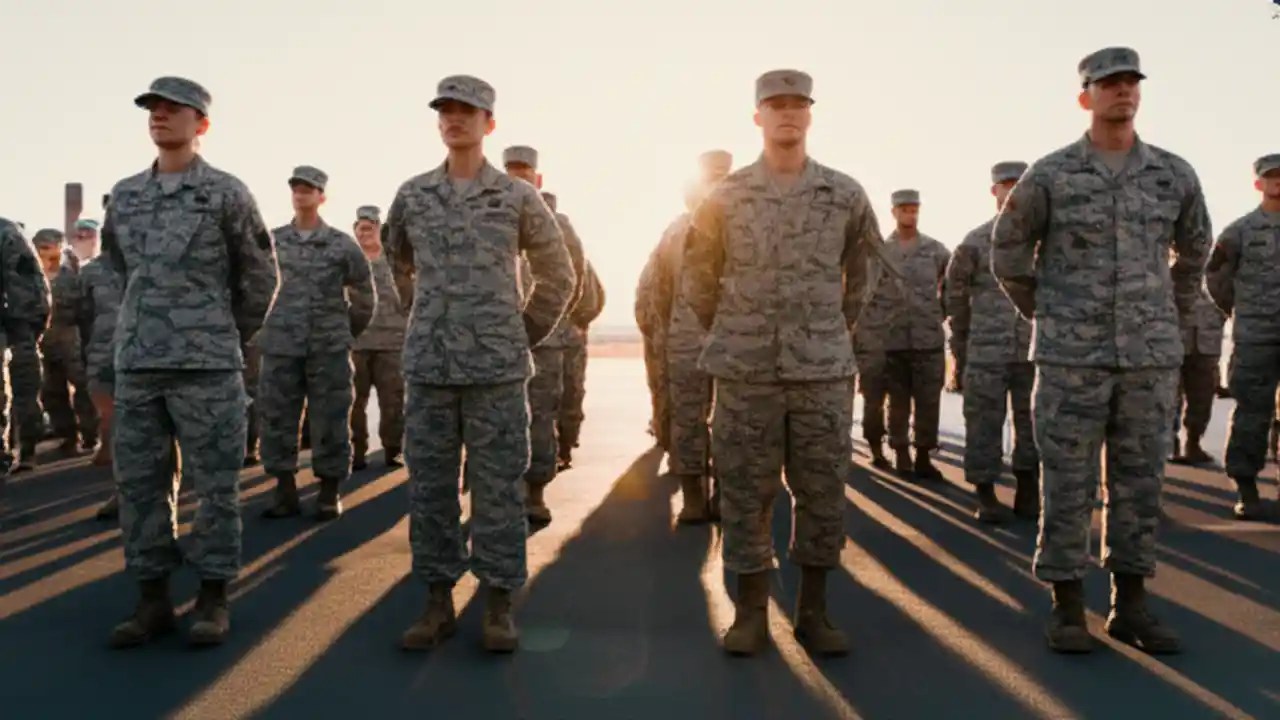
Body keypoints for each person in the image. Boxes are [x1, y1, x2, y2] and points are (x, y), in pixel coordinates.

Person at [991, 48, 1209, 655]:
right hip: (1069, 360)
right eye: (1109, 85)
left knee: (1140, 483)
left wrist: (1170, 315)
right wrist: (1051, 312)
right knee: (1068, 481)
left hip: (1148, 359)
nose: (1123, 93)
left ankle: (1130, 605)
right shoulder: (1052, 174)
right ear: (1085, 96)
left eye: (1131, 84)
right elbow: (1007, 252)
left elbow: (1196, 252)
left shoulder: (1173, 174)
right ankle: (1065, 605)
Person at [683, 69, 885, 657]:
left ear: (811, 114)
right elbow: (697, 278)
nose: (787, 114)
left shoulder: (845, 194)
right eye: (775, 105)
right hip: (745, 372)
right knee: (745, 491)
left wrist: (827, 330)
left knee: (822, 491)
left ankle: (813, 611)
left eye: (798, 104)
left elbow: (863, 275)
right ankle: (750, 612)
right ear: (758, 118)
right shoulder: (726, 196)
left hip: (822, 371)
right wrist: (736, 328)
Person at [386, 75, 573, 653]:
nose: (454, 119)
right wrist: (424, 316)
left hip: (495, 372)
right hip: (432, 370)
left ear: (489, 123)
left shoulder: (517, 197)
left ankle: (497, 603)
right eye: (445, 110)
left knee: (497, 490)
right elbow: (398, 261)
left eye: (467, 111)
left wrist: (518, 333)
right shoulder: (414, 195)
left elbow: (559, 273)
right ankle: (437, 601)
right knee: (432, 491)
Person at [101, 76, 279, 647]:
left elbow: (260, 277)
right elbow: (117, 269)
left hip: (207, 365)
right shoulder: (125, 195)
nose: (160, 116)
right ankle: (152, 598)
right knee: (140, 485)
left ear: (200, 124)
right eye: (153, 108)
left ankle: (212, 597)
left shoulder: (226, 193)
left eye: (174, 110)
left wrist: (221, 333)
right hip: (139, 364)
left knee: (216, 486)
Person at [257, 166, 374, 520]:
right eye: (296, 187)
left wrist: (343, 332)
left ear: (322, 196)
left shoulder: (341, 244)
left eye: (309, 188)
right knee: (277, 418)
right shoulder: (272, 242)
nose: (301, 193)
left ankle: (329, 490)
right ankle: (284, 489)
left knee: (332, 418)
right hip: (280, 346)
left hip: (328, 347)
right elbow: (252, 286)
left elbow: (365, 295)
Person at [945, 161, 1038, 523]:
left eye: (1019, 184)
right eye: (1005, 185)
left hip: (1033, 350)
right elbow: (954, 296)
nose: (1012, 191)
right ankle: (985, 493)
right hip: (987, 349)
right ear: (994, 191)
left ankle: (1029, 487)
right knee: (984, 421)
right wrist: (961, 349)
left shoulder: (1043, 241)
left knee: (1033, 421)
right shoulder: (974, 242)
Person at [647, 150, 733, 522]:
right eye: (709, 179)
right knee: (688, 418)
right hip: (686, 338)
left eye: (721, 179)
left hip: (736, 336)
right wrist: (671, 330)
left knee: (734, 419)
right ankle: (694, 496)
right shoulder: (676, 230)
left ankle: (727, 495)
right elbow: (659, 290)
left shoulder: (744, 227)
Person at [503, 145, 586, 524]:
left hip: (544, 337)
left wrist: (550, 323)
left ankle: (535, 492)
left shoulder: (557, 222)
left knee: (539, 416)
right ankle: (497, 492)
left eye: (525, 172)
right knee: (494, 417)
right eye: (511, 171)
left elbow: (574, 276)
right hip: (492, 337)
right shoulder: (486, 214)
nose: (518, 177)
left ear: (538, 179)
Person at [1206, 153, 1280, 520]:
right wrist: (1238, 311)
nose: (1278, 182)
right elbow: (1215, 278)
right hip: (1256, 336)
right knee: (1252, 411)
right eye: (1271, 177)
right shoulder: (1239, 231)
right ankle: (1246, 486)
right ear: (1258, 184)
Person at [350, 205, 406, 470]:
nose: (367, 232)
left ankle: (393, 449)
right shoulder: (348, 263)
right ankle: (355, 451)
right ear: (355, 231)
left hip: (392, 344)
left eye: (372, 227)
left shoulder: (394, 263)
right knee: (353, 402)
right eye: (362, 227)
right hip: (356, 344)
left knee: (393, 401)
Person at [0, 218, 50, 481]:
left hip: (12, 324)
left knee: (21, 387)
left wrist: (27, 329)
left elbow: (31, 285)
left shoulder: (5, 232)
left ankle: (24, 451)